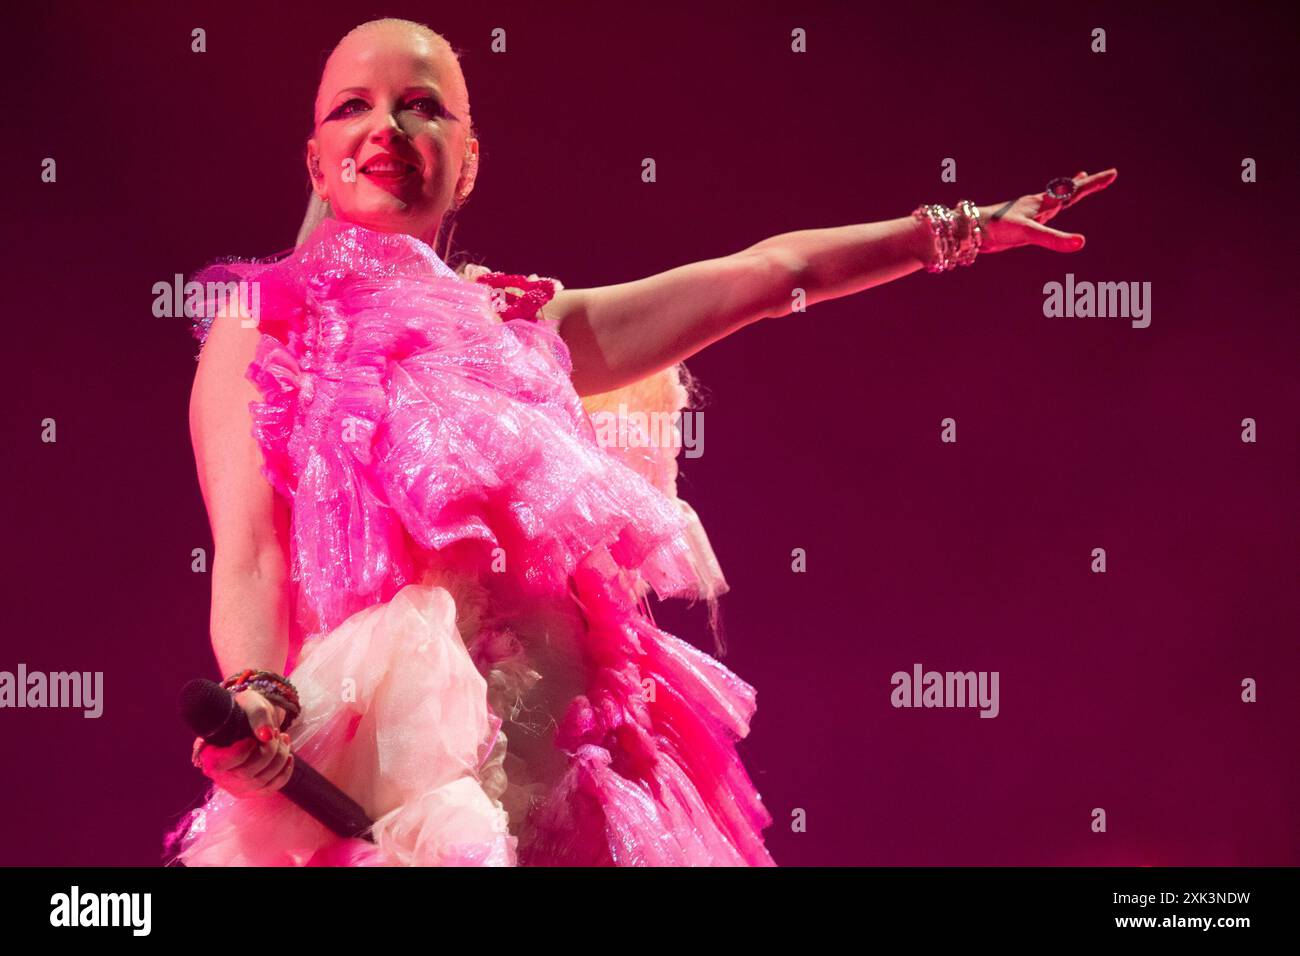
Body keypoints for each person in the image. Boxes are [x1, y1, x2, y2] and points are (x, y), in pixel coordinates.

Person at [164, 17, 1116, 867]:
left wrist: (951, 233)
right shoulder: (269, 327)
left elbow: (764, 274)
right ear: (316, 159)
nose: (389, 130)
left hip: (574, 767)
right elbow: (249, 552)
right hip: (395, 771)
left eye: (424, 108)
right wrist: (254, 693)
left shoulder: (526, 327)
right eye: (352, 108)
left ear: (469, 155)